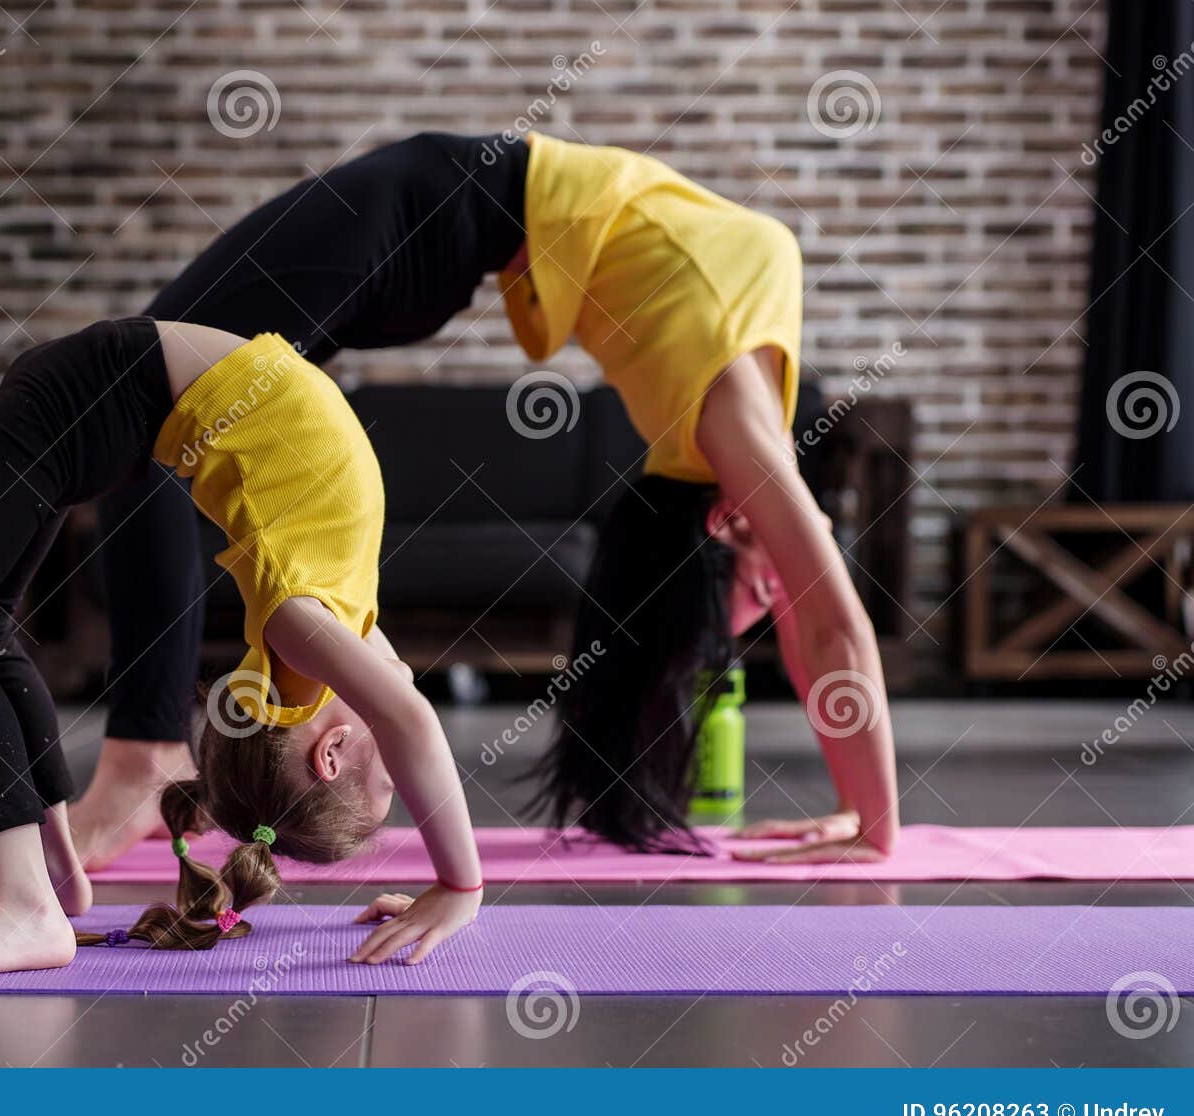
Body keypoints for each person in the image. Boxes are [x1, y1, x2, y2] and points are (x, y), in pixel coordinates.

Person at [71, 129, 898, 867]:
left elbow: (813, 630)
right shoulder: (743, 431)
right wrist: (874, 820)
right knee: (143, 403)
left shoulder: (715, 443)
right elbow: (827, 626)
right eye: (766, 590)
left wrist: (862, 811)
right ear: (731, 522)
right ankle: (146, 748)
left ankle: (147, 753)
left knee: (147, 405)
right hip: (444, 204)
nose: (788, 585)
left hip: (443, 231)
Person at [0, 318, 483, 979]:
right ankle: (45, 872)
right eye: (391, 776)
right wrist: (456, 884)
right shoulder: (319, 637)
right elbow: (406, 718)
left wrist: (454, 887)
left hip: (99, 394)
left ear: (330, 752)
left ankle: (23, 899)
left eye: (390, 774)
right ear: (331, 752)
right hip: (113, 399)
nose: (399, 753)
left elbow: (405, 720)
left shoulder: (300, 629)